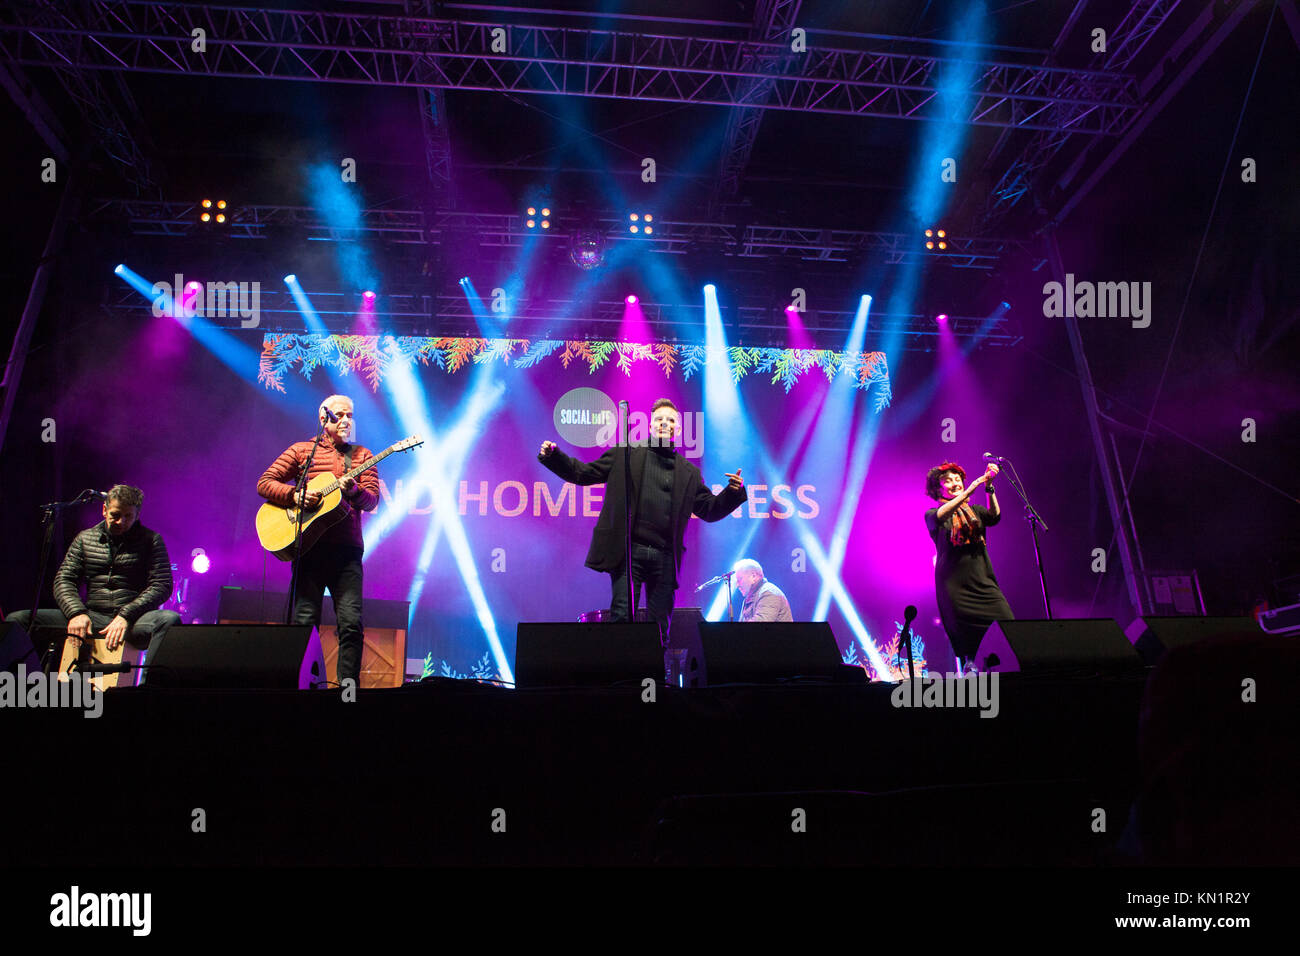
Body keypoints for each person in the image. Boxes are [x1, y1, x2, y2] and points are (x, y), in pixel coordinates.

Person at [538, 398, 746, 642]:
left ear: (678, 430)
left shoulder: (688, 473)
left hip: (666, 557)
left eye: (670, 421)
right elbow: (584, 474)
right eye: (659, 420)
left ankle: (654, 679)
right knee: (622, 619)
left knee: (659, 628)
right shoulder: (625, 454)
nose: (664, 424)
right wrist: (554, 457)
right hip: (628, 553)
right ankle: (624, 678)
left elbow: (709, 510)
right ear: (650, 425)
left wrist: (732, 493)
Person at [257, 395, 379, 685]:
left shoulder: (363, 455)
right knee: (303, 622)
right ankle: (302, 687)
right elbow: (265, 482)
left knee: (350, 625)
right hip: (308, 549)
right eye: (341, 415)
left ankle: (348, 695)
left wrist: (352, 492)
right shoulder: (301, 451)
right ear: (324, 418)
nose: (348, 420)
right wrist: (294, 495)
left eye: (351, 415)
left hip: (347, 552)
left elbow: (372, 501)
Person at [6, 484, 179, 683]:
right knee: (17, 620)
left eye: (128, 517)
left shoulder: (152, 540)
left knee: (169, 619)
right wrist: (76, 613)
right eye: (115, 515)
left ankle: (147, 690)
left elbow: (162, 585)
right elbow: (64, 580)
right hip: (91, 617)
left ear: (137, 515)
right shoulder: (85, 538)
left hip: (132, 621)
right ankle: (25, 686)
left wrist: (126, 615)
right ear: (104, 510)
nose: (121, 521)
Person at [924, 460, 1014, 672]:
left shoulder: (976, 511)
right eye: (948, 481)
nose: (956, 483)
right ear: (938, 489)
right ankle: (974, 685)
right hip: (956, 590)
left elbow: (994, 516)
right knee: (971, 648)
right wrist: (971, 488)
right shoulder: (933, 515)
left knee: (1007, 628)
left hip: (984, 582)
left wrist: (989, 487)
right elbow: (940, 515)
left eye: (958, 479)